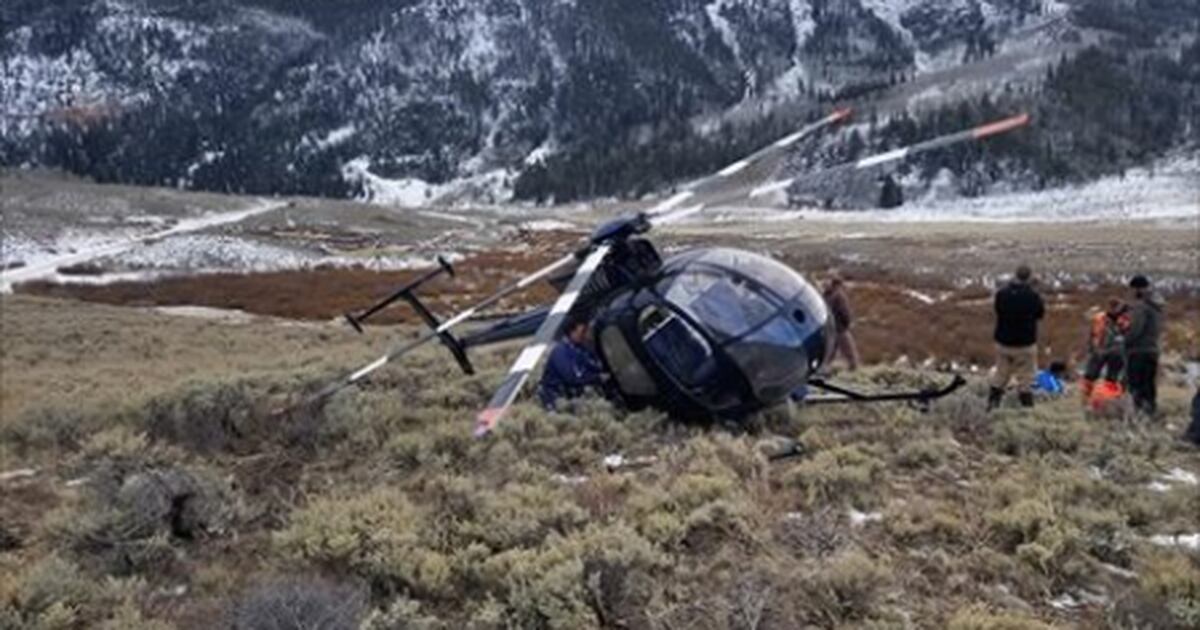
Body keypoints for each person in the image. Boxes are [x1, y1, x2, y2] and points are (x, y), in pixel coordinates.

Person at [989, 264, 1045, 410]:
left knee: (1000, 375)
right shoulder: (1033, 296)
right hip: (1025, 344)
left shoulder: (1002, 294)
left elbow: (997, 309)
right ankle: (1027, 410)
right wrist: (1035, 291)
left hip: (1003, 342)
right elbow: (1040, 314)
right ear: (1029, 277)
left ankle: (992, 405)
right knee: (1026, 379)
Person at [537, 317, 606, 410]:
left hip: (572, 395)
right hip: (556, 398)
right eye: (582, 332)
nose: (585, 335)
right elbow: (572, 378)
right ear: (571, 332)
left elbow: (593, 365)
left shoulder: (581, 348)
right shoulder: (560, 351)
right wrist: (597, 377)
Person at [1124, 275, 1164, 417]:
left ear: (1137, 289)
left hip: (1138, 351)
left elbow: (1135, 330)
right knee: (1149, 386)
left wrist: (1123, 339)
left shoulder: (1141, 307)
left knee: (1136, 385)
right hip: (1153, 350)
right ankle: (1150, 413)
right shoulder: (1157, 306)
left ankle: (1139, 415)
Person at [1081, 298, 1130, 405]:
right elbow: (1093, 334)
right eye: (1112, 307)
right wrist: (1092, 349)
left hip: (1116, 353)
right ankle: (1087, 399)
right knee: (1089, 376)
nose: (1114, 309)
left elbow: (1128, 335)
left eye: (1116, 307)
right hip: (1099, 351)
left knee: (1111, 379)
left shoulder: (1124, 320)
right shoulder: (1100, 318)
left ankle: (1108, 401)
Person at [823, 272, 860, 371]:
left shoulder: (836, 296)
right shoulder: (830, 295)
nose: (825, 283)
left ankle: (854, 369)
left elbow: (844, 312)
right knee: (831, 352)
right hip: (834, 328)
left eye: (827, 280)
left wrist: (846, 323)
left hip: (838, 328)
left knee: (847, 352)